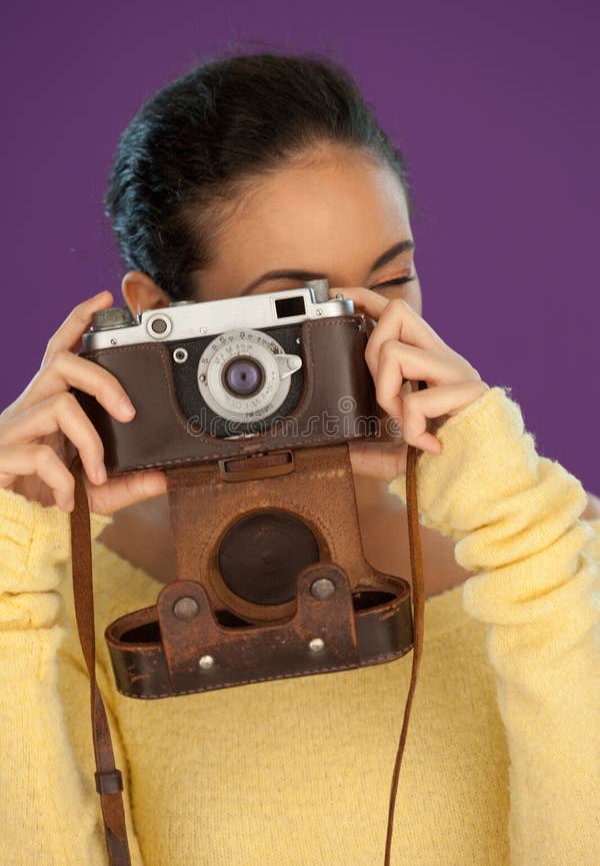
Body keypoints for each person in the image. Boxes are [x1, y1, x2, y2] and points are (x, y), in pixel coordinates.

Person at [0, 52, 598, 865]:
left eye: (393, 280)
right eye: (296, 306)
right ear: (157, 316)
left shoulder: (555, 555)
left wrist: (522, 538)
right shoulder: (62, 593)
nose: (364, 333)